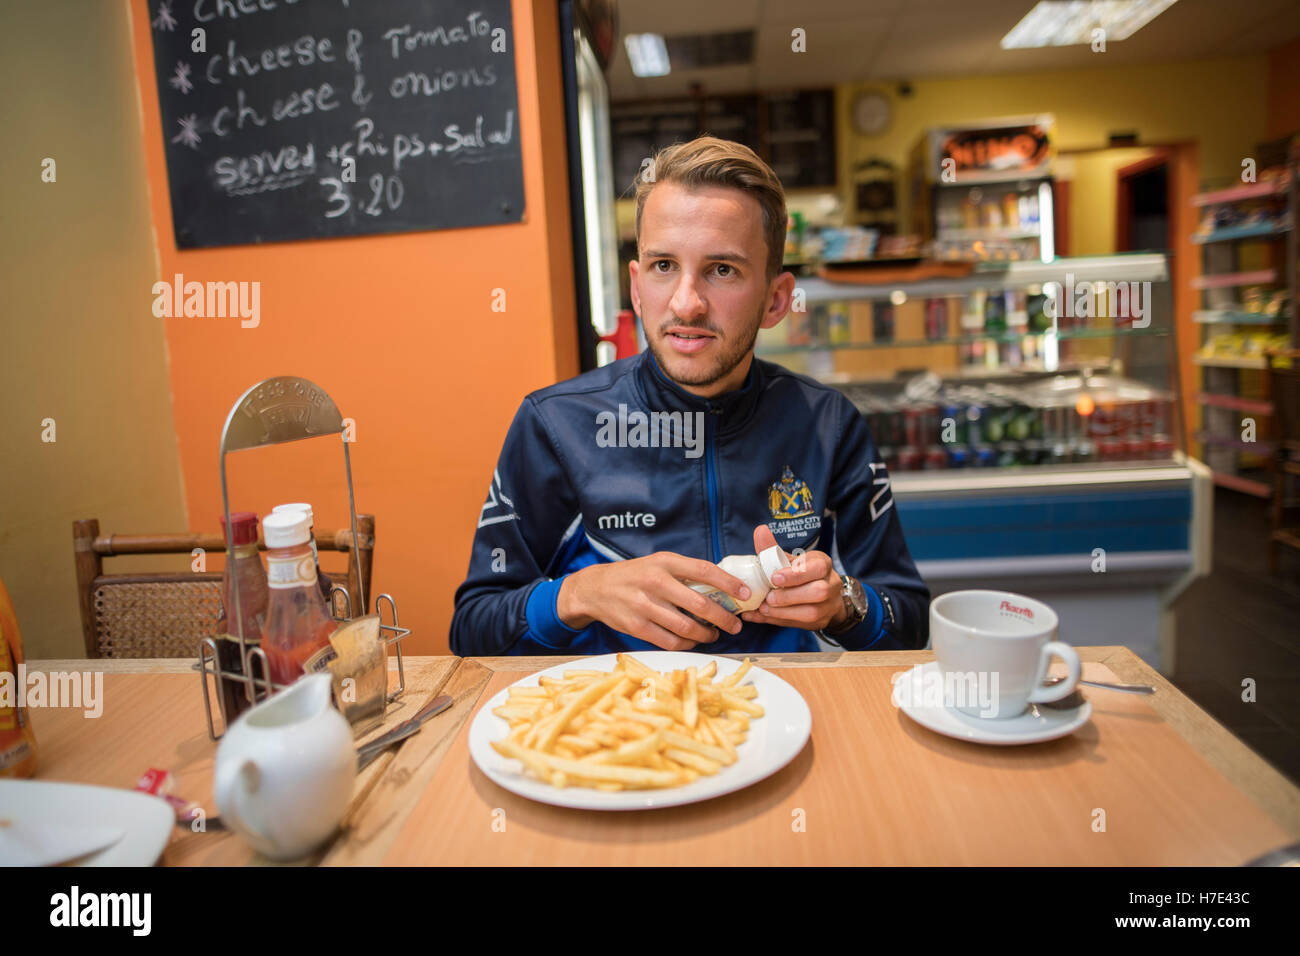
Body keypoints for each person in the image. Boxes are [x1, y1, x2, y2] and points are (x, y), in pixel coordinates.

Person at [451, 136, 929, 655]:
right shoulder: (554, 425)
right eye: (663, 266)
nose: (687, 303)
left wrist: (845, 605)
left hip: (779, 720)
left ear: (776, 300)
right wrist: (574, 595)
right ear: (636, 287)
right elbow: (472, 631)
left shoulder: (828, 424)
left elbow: (910, 621)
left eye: (722, 270)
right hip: (617, 722)